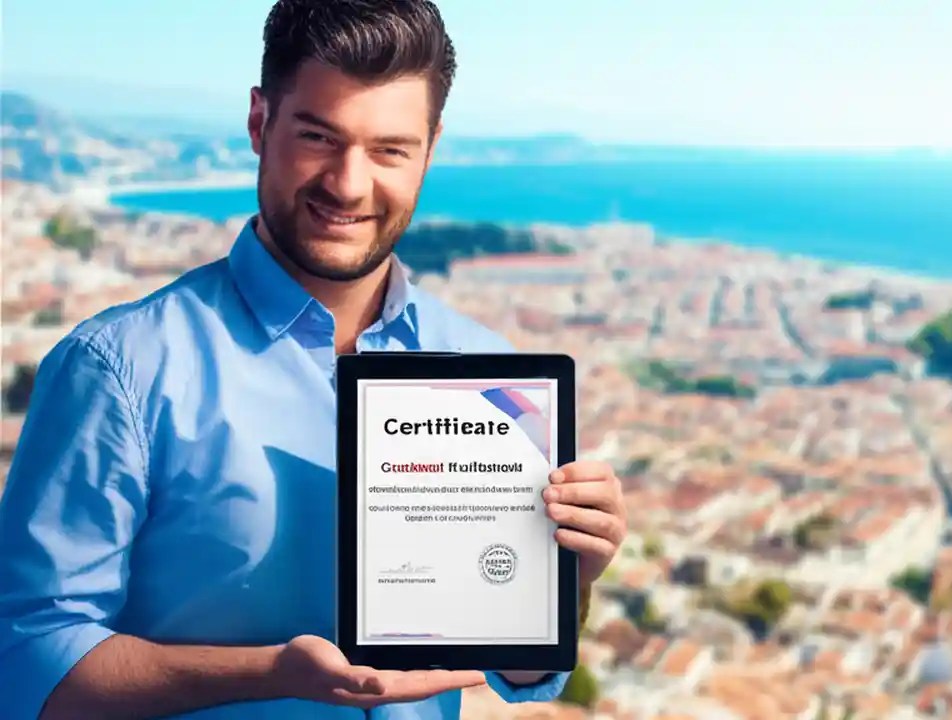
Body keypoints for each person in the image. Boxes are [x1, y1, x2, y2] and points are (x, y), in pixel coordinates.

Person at [0, 1, 628, 718]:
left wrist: (566, 580)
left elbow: (517, 666)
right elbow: (25, 666)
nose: (348, 184)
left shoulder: (492, 372)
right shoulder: (120, 369)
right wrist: (269, 674)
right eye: (319, 137)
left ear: (430, 150)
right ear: (259, 122)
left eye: (389, 150)